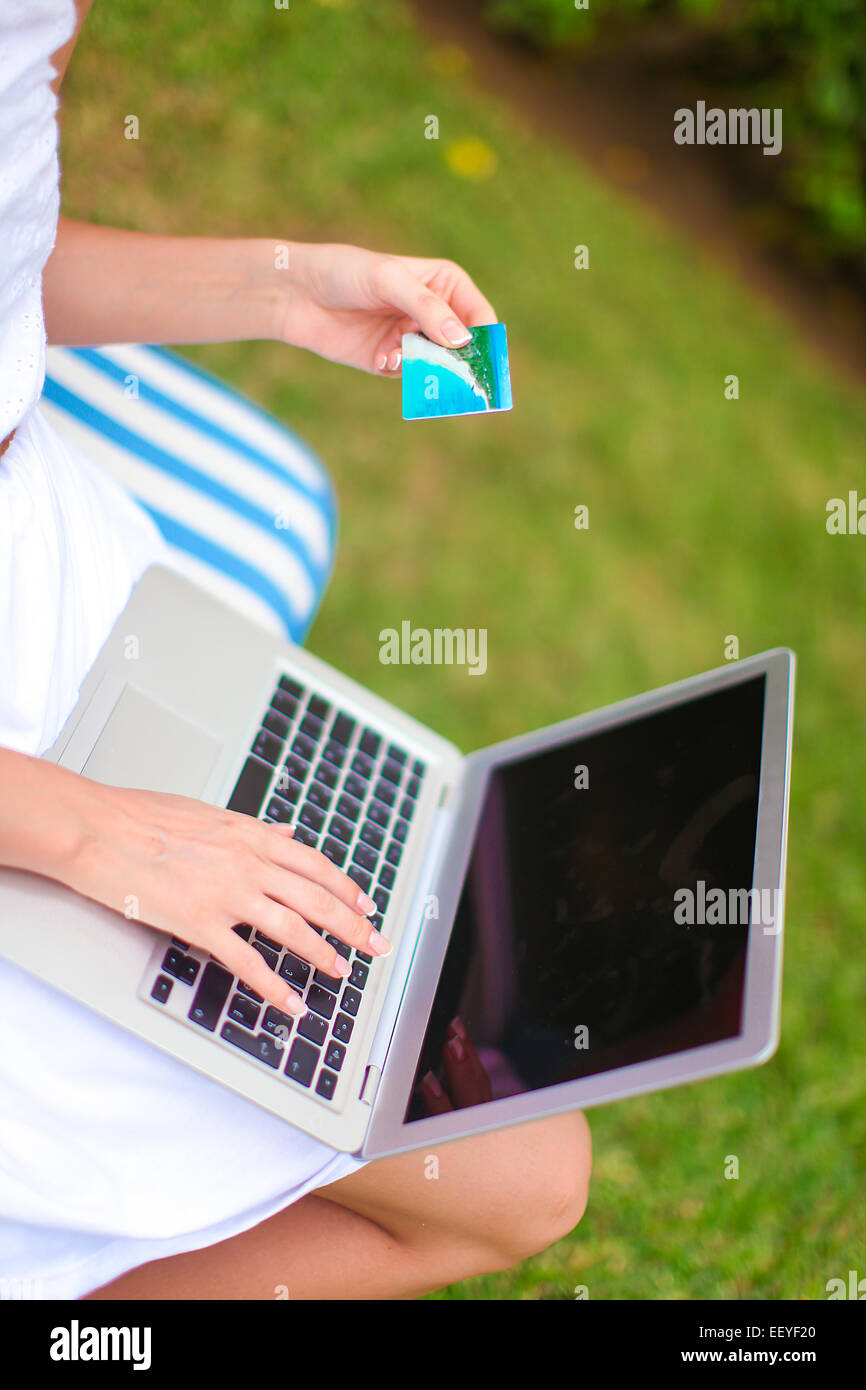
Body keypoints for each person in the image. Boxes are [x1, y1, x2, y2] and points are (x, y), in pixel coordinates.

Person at [0, 0, 591, 1300]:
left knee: (526, 1158)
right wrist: (95, 833)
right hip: (29, 798)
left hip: (46, 555)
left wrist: (288, 288)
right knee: (496, 1165)